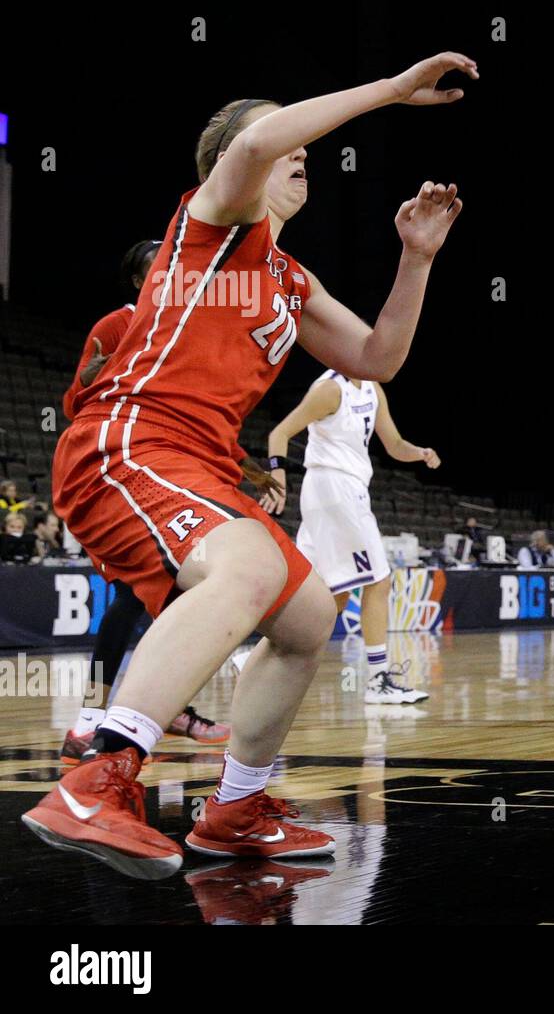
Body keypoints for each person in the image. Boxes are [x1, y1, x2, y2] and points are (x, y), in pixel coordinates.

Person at [22, 52, 475, 879]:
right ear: (237, 158)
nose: (298, 151)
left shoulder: (288, 277)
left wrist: (417, 258)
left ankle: (236, 805)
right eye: (279, 138)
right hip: (131, 439)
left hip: (199, 463)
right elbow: (264, 137)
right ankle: (97, 778)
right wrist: (392, 91)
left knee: (305, 617)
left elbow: (377, 357)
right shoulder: (217, 219)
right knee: (250, 563)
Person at [58, 238, 230, 762]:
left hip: (165, 466)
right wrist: (95, 373)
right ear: (139, 281)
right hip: (111, 466)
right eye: (158, 265)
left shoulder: (183, 329)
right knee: (133, 593)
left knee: (177, 597)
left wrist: (243, 466)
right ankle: (87, 723)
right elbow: (72, 401)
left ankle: (167, 707)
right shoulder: (119, 324)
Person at [260, 369, 440, 704]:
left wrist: (418, 452)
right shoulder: (330, 389)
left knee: (329, 596)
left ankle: (256, 661)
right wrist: (278, 475)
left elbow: (394, 445)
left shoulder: (373, 388)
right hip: (334, 487)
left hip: (341, 490)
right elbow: (280, 433)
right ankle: (377, 680)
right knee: (378, 580)